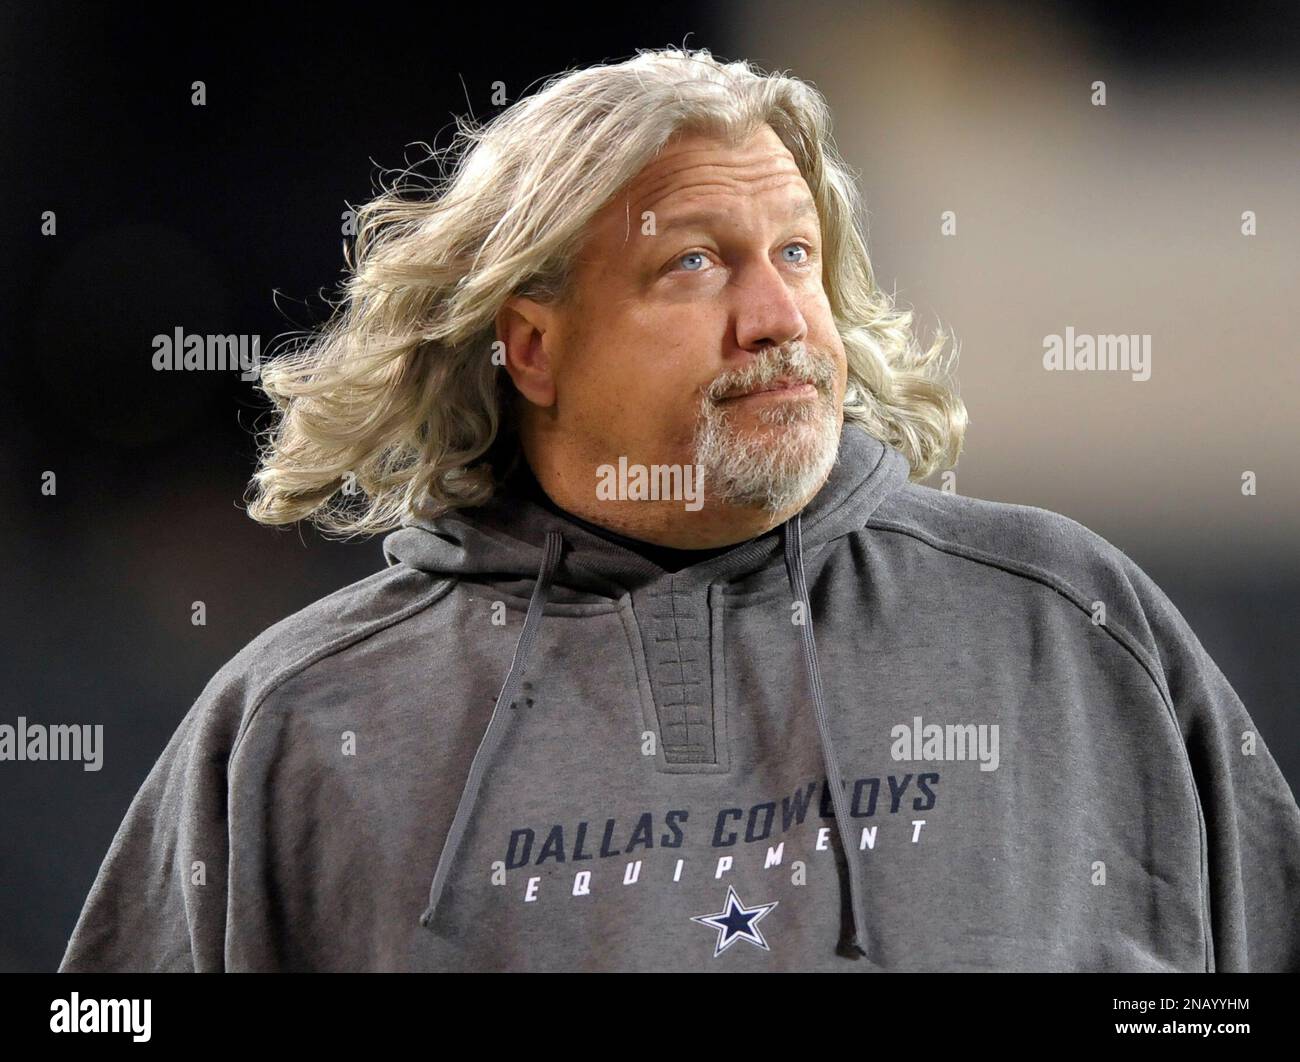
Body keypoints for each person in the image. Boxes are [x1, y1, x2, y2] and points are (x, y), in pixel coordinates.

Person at [59, 46, 1300, 972]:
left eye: (796, 255)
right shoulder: (300, 724)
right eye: (693, 263)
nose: (775, 318)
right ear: (533, 348)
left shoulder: (1069, 628)